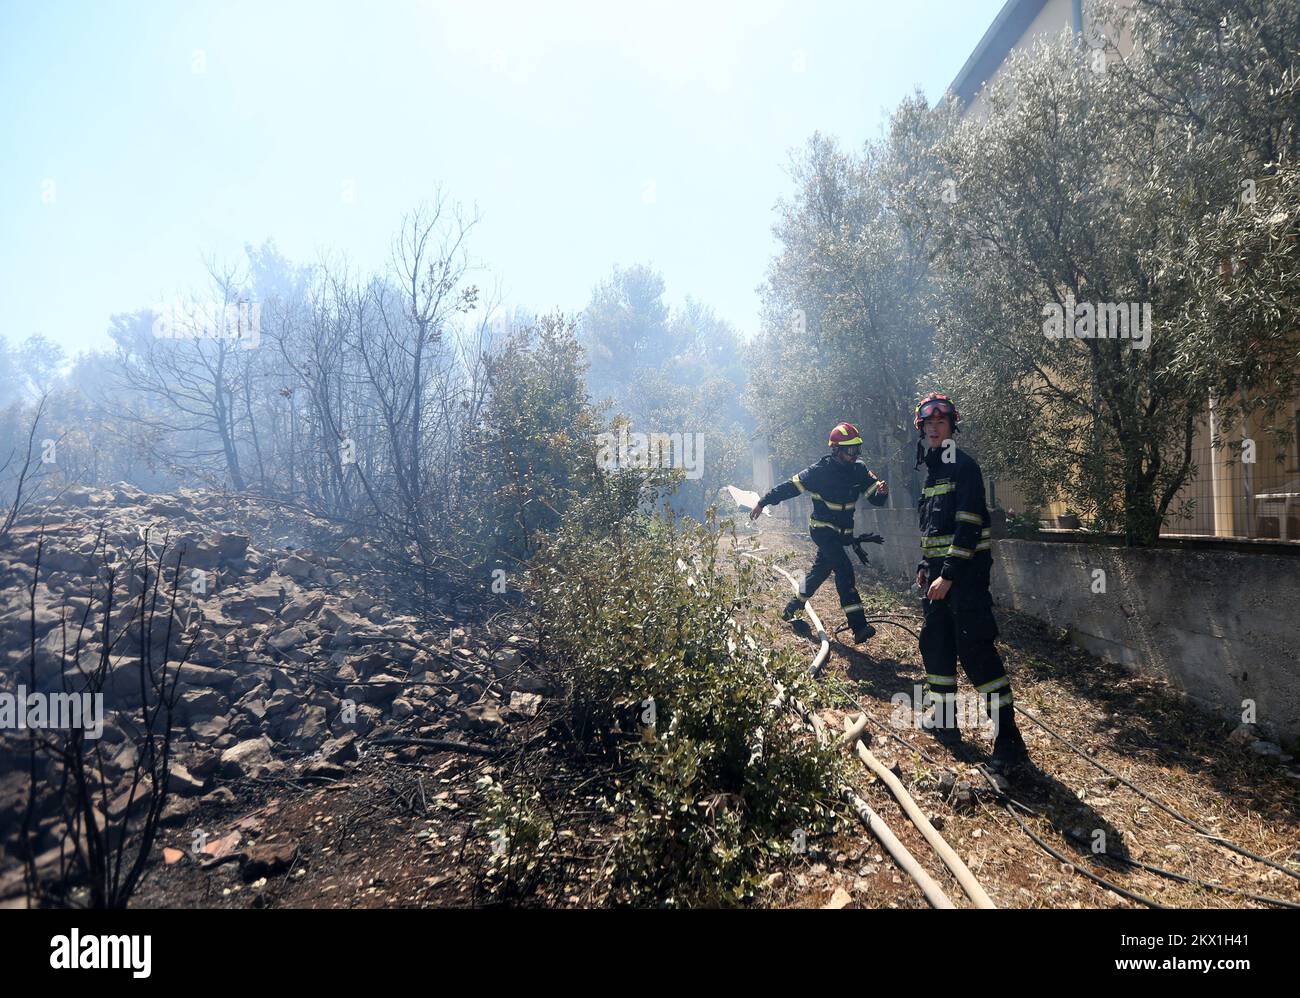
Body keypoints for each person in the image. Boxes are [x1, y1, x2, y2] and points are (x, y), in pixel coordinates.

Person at [913, 392, 1030, 772]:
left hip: (965, 581)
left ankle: (1009, 742)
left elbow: (968, 526)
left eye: (940, 422)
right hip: (938, 578)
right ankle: (946, 723)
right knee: (936, 645)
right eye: (928, 424)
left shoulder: (964, 468)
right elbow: (934, 528)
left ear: (951, 428)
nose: (933, 428)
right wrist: (925, 564)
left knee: (977, 655)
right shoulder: (933, 473)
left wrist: (947, 574)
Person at [750, 422, 888, 643]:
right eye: (850, 449)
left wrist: (882, 491)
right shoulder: (818, 472)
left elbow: (876, 499)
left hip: (841, 533)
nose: (855, 454)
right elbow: (789, 487)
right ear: (837, 449)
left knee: (820, 571)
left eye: (857, 449)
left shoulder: (860, 470)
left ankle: (791, 609)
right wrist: (764, 501)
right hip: (822, 531)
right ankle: (859, 626)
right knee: (844, 568)